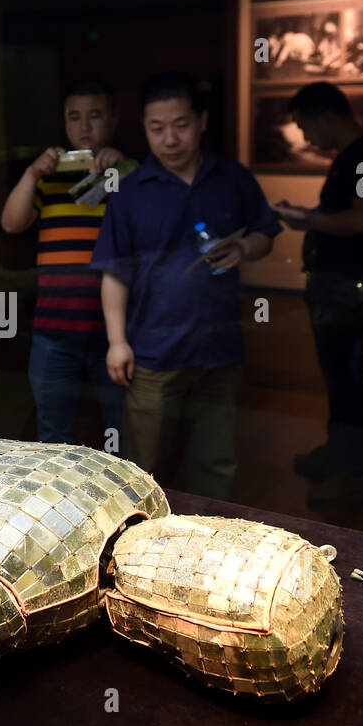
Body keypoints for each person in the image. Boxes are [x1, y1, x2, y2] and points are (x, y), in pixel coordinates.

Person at [90, 72, 281, 499]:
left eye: (181, 125)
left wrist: (245, 247)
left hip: (220, 347)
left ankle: (210, 539)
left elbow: (266, 233)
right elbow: (114, 272)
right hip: (154, 350)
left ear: (202, 121)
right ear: (144, 129)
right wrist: (117, 341)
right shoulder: (132, 191)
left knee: (216, 459)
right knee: (144, 464)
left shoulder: (232, 178)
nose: (169, 138)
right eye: (156, 128)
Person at [271, 82, 363, 504]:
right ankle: (338, 455)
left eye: (305, 127)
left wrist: (306, 219)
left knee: (349, 383)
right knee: (339, 380)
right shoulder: (353, 157)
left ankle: (352, 474)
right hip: (334, 287)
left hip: (346, 289)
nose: (306, 139)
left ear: (326, 116)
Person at [0, 78, 135, 445]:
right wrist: (32, 173)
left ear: (113, 118)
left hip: (114, 333)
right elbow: (12, 223)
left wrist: (121, 168)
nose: (84, 126)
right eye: (74, 117)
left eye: (95, 115)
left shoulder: (128, 173)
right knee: (54, 434)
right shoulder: (49, 177)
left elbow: (149, 223)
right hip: (53, 329)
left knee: (121, 433)